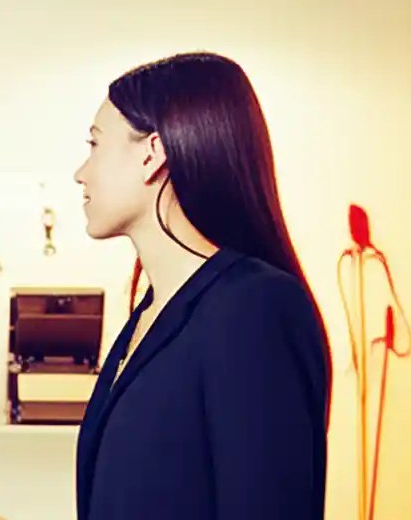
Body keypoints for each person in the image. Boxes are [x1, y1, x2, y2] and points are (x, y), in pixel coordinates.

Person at [71, 51, 331, 520]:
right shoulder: (149, 315)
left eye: (94, 145)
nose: (80, 173)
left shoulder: (254, 308)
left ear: (152, 153)